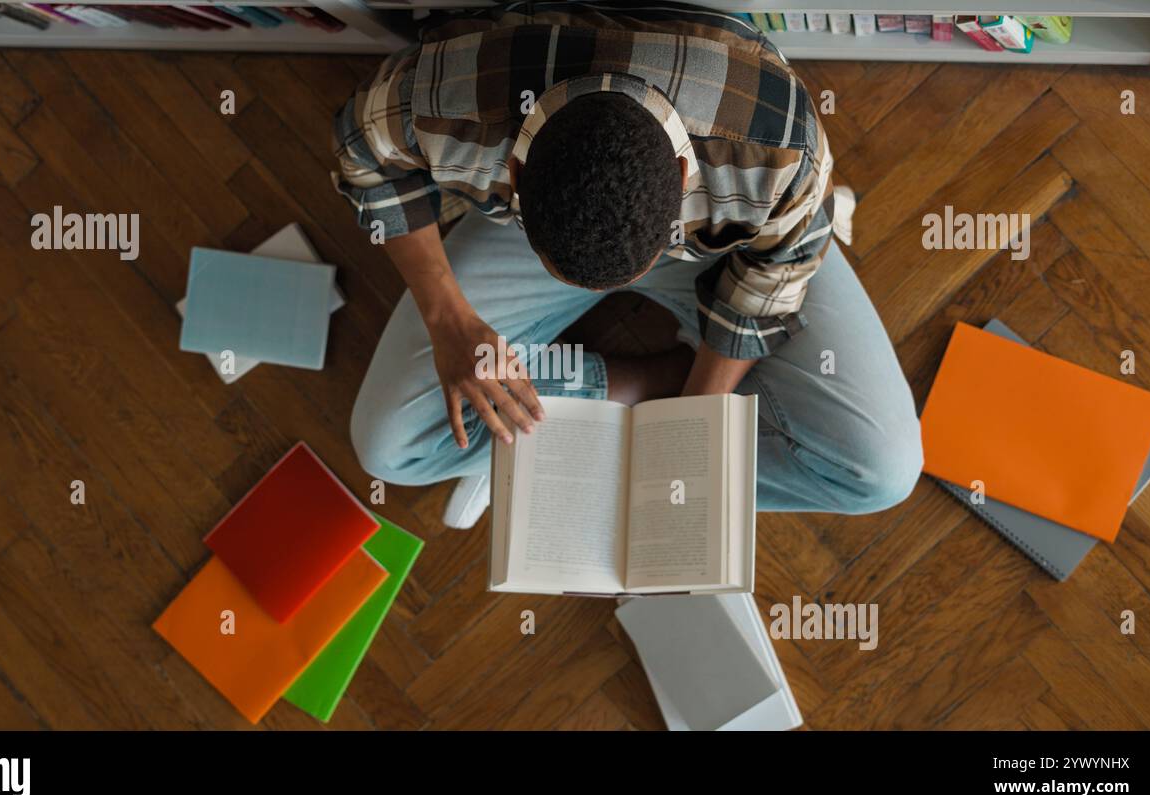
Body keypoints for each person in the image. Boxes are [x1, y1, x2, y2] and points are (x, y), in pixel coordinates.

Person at [335, 3, 922, 528]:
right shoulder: (441, 93)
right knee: (390, 448)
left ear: (686, 179)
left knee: (884, 470)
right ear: (514, 173)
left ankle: (549, 450)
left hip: (725, 239)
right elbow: (358, 153)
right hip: (540, 220)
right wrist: (448, 319)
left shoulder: (779, 151)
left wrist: (695, 422)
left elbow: (775, 270)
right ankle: (642, 385)